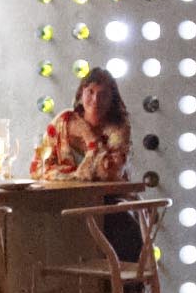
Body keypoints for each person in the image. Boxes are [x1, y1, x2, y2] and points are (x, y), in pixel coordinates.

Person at [29, 64, 145, 267]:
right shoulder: (63, 122)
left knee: (126, 229)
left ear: (112, 100)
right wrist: (78, 173)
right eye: (90, 92)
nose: (95, 100)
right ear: (81, 93)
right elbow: (38, 168)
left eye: (103, 95)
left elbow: (110, 172)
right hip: (66, 202)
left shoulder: (118, 128)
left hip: (108, 202)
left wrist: (92, 143)